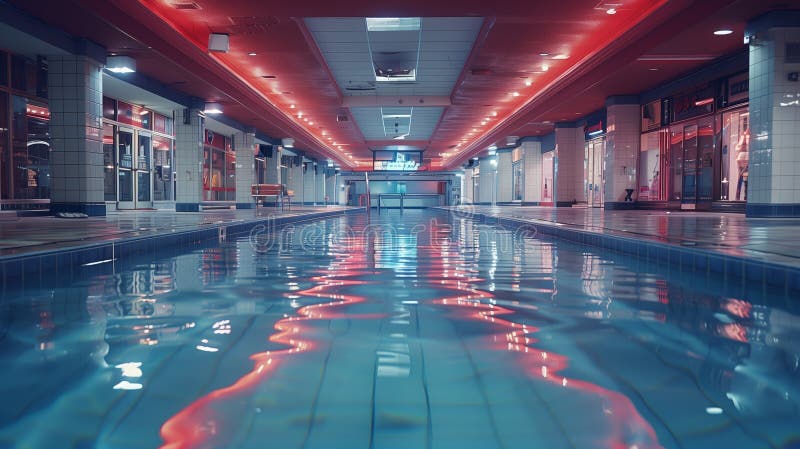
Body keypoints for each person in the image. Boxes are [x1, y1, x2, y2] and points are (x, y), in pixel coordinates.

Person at [735, 129, 749, 201]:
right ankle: (741, 197)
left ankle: (740, 197)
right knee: (744, 182)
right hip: (743, 165)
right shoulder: (744, 138)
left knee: (744, 182)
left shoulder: (743, 139)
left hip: (743, 166)